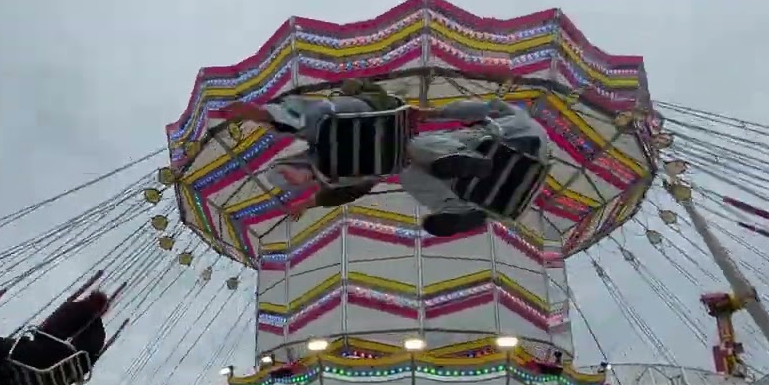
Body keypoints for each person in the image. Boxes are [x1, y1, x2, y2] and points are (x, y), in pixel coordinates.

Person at [228, 87, 553, 238]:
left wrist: (434, 113)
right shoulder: (349, 167)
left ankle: (460, 159)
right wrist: (314, 199)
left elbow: (478, 110)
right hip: (511, 179)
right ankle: (457, 209)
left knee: (418, 146)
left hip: (507, 144)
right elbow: (356, 187)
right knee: (411, 173)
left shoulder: (350, 119)